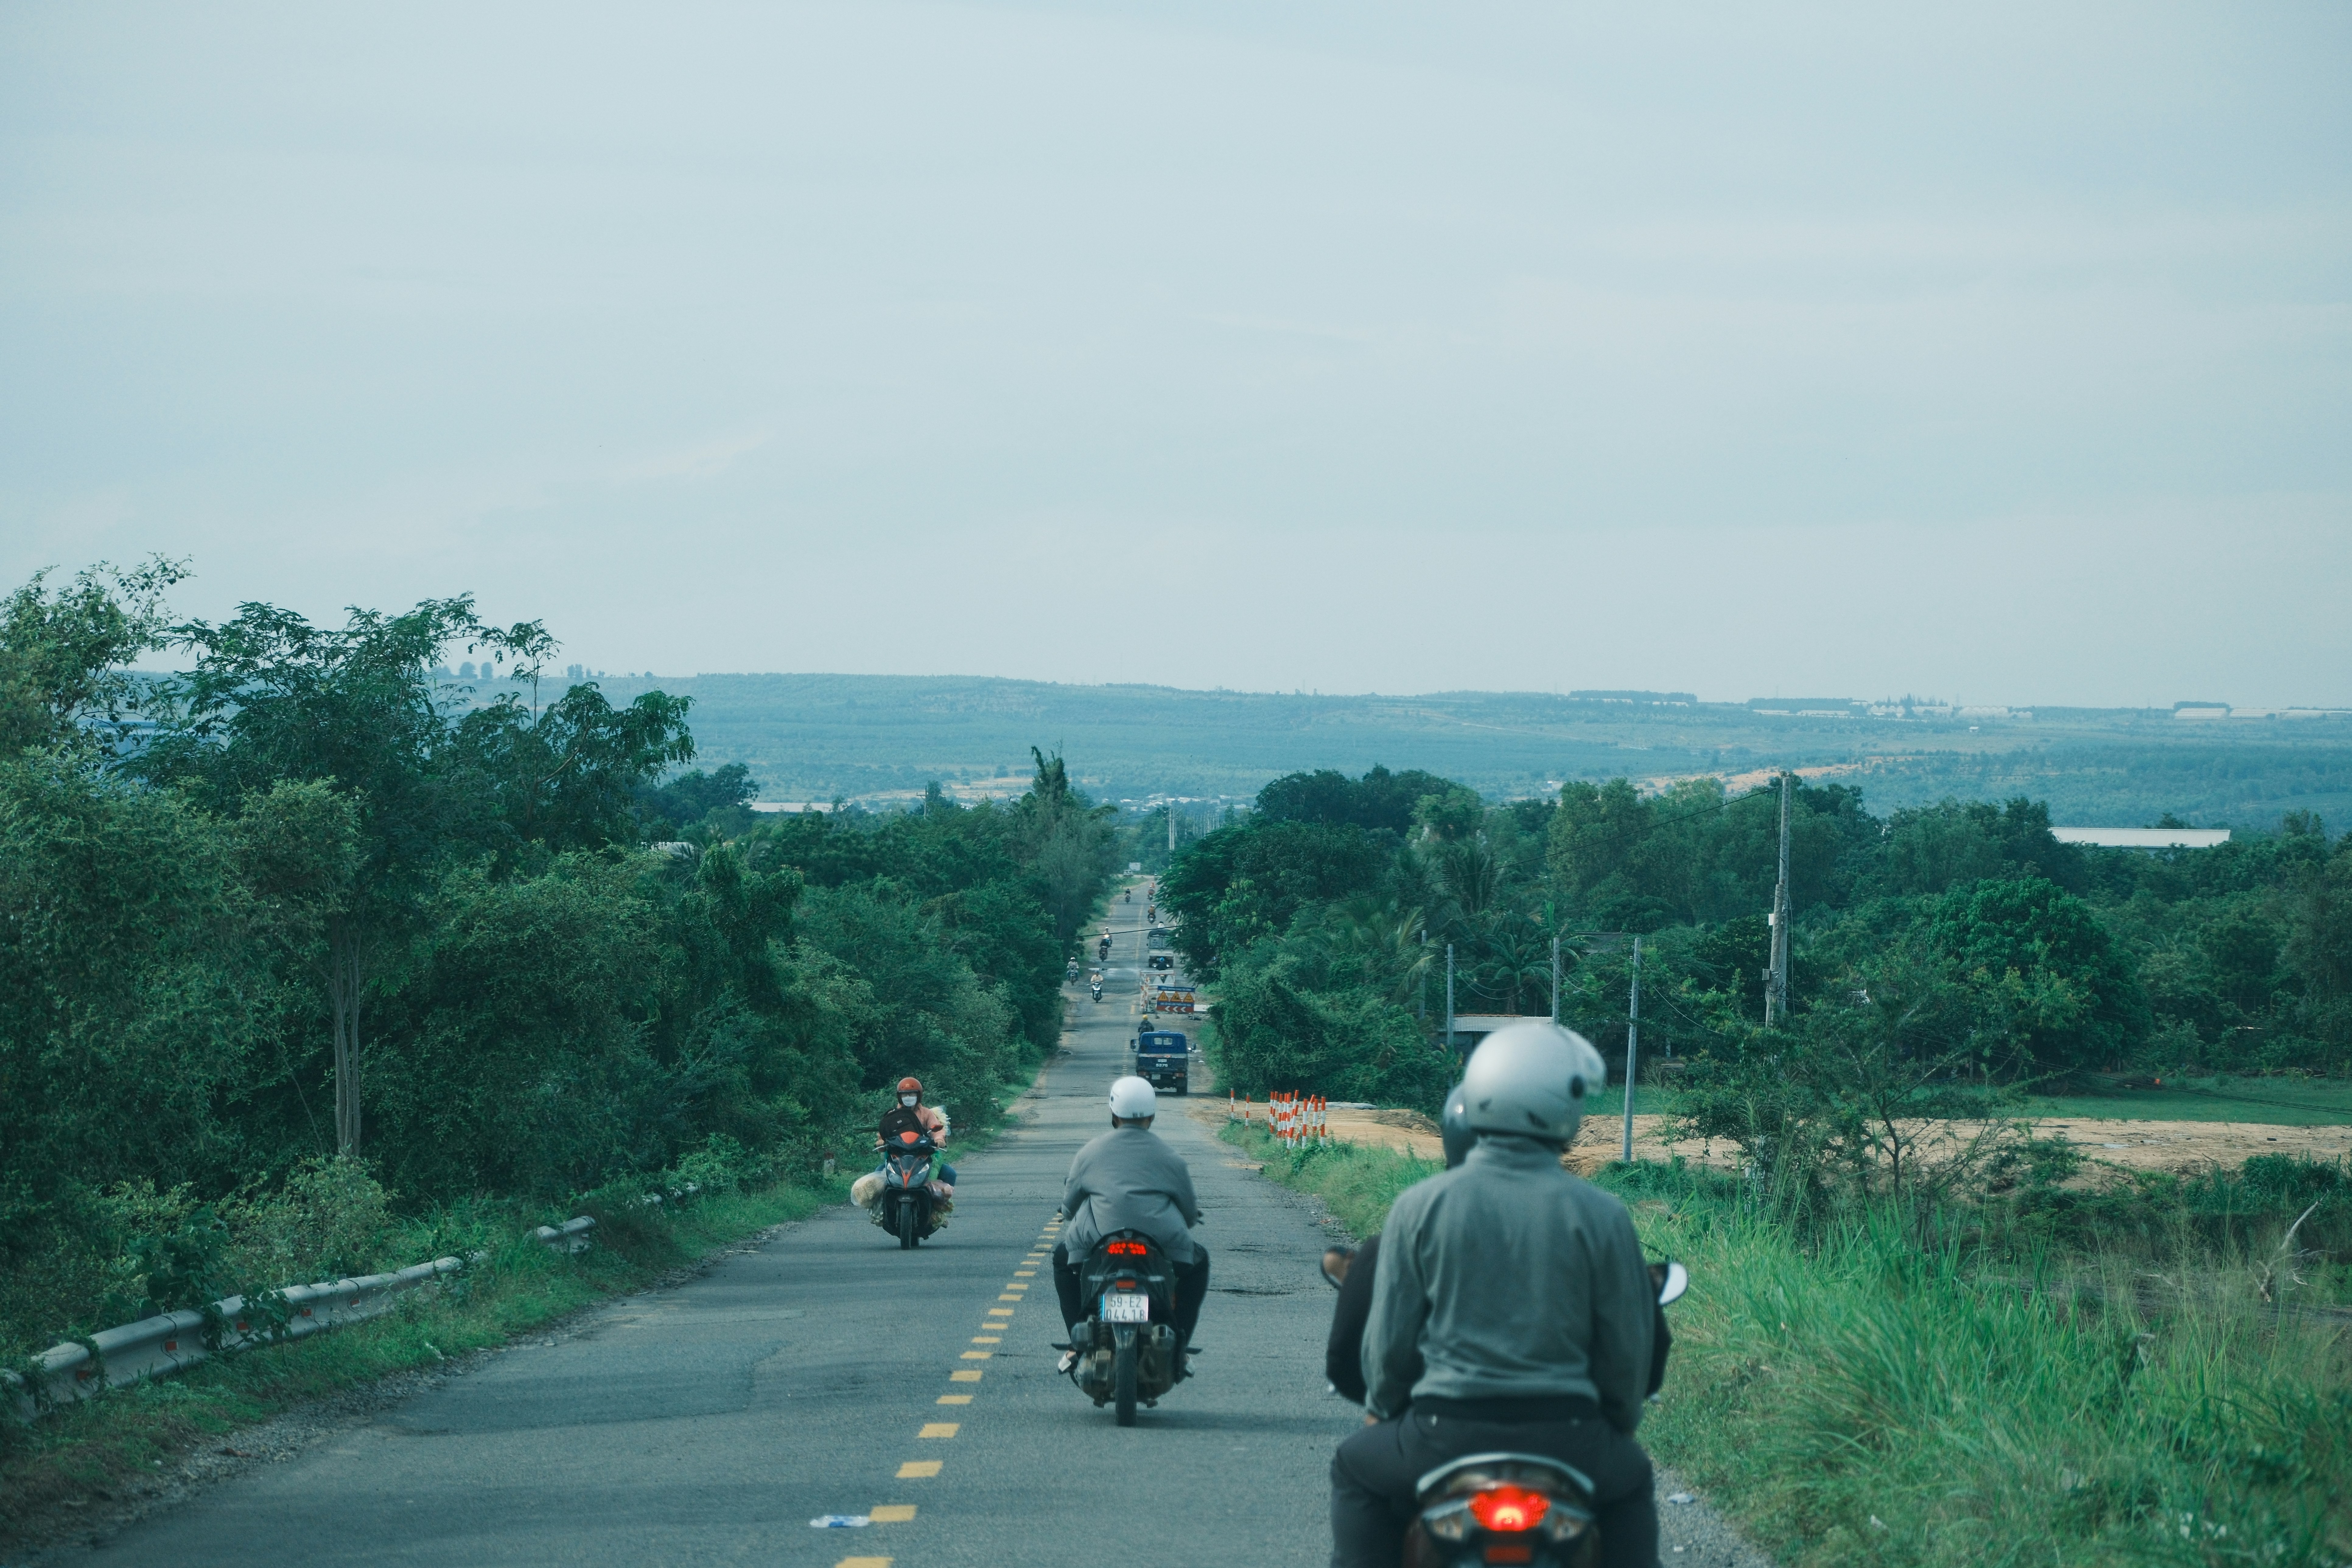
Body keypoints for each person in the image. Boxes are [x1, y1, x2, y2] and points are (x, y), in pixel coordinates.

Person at [1330, 1023, 1659, 1568]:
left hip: (1441, 1432)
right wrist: (1616, 1426)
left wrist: (1384, 1410)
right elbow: (1625, 1352)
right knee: (1632, 1481)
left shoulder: (1419, 1205)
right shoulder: (1604, 1215)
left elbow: (1388, 1346)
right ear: (1564, 1105)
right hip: (1569, 1434)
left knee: (1353, 1466)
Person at [1052, 1076, 1208, 1374]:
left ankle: (1076, 1342)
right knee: (1199, 1263)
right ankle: (1181, 1346)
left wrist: (1068, 1211)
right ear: (1152, 1114)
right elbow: (1189, 1211)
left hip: (1100, 1243)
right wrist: (1188, 1219)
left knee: (1063, 1259)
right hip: (1160, 1244)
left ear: (1113, 1113)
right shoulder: (1171, 1157)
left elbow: (1070, 1203)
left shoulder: (1090, 1153)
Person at [876, 1077, 958, 1192]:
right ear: (900, 1097)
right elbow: (883, 1134)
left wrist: (939, 1139)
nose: (908, 1097)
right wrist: (881, 1142)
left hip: (921, 1156)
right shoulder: (893, 1115)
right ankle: (881, 1208)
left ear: (919, 1096)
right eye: (905, 1095)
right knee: (877, 1174)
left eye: (912, 1094)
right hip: (897, 1158)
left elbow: (937, 1130)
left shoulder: (927, 1113)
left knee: (950, 1174)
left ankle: (940, 1207)